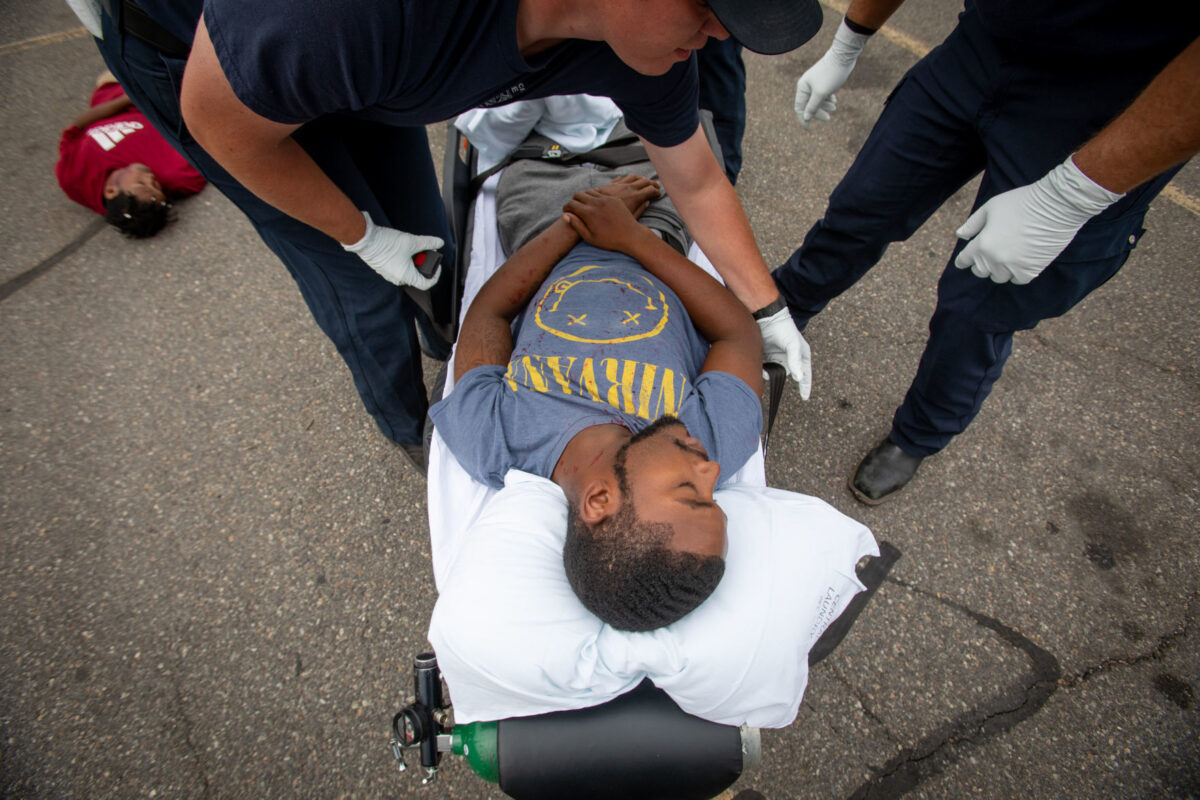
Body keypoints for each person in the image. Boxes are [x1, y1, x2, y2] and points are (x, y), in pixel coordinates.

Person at [90, 0, 819, 474]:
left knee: (430, 240)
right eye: (710, 4)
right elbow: (223, 125)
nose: (723, 33)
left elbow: (694, 180)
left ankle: (444, 343)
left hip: (370, 63)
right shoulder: (351, 20)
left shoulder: (645, 46)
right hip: (206, 59)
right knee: (365, 285)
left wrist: (766, 308)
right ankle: (408, 422)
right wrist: (363, 238)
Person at [777, 0, 1200, 503]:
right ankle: (782, 312)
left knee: (982, 305)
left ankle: (920, 433)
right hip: (982, 47)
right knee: (860, 209)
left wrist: (1071, 196)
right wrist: (848, 43)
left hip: (1118, 98)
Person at [430, 174, 764, 632]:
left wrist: (573, 223)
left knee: (536, 111)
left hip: (544, 217)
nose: (711, 472)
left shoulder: (494, 438)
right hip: (654, 216)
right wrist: (635, 238)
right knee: (672, 125)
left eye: (690, 493)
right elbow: (738, 333)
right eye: (714, 495)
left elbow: (490, 313)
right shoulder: (710, 436)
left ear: (600, 499)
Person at [55, 71, 206, 238]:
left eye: (141, 183)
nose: (150, 178)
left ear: (111, 191)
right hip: (165, 85)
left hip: (115, 86)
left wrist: (129, 98)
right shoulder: (177, 176)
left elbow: (74, 128)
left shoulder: (73, 178)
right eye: (157, 187)